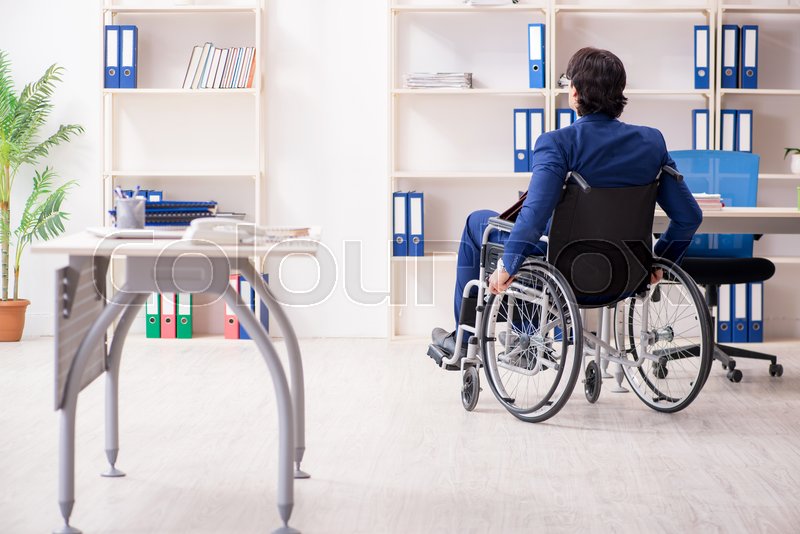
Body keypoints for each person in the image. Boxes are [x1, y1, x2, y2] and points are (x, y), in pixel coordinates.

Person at [430, 46, 703, 358]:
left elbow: (535, 216)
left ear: (574, 92)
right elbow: (689, 217)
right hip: (627, 273)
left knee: (478, 222)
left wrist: (507, 266)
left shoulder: (557, 143)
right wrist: (657, 263)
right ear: (620, 93)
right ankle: (524, 337)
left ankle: (466, 340)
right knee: (531, 239)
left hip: (564, 271)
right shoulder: (652, 142)